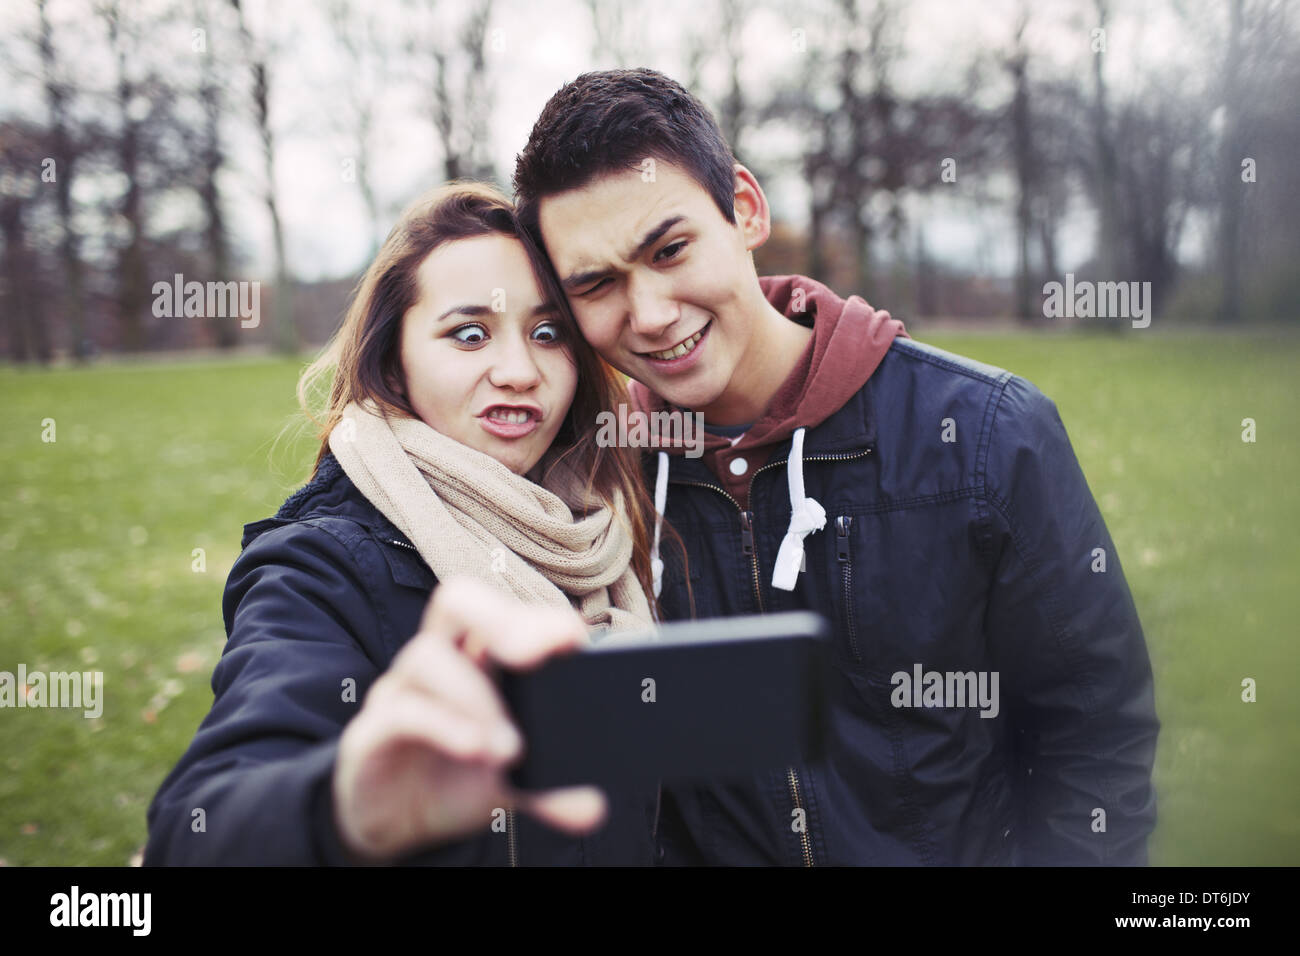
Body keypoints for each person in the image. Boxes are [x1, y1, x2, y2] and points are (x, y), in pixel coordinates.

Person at [510, 68, 1161, 865]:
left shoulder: (988, 432)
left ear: (744, 209)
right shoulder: (590, 486)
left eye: (671, 249)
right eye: (598, 284)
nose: (649, 314)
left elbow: (1095, 741)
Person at [143, 182, 662, 866]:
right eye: (468, 334)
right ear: (395, 359)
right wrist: (347, 809)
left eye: (547, 333)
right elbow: (198, 829)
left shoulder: (605, 531)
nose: (519, 370)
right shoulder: (319, 566)